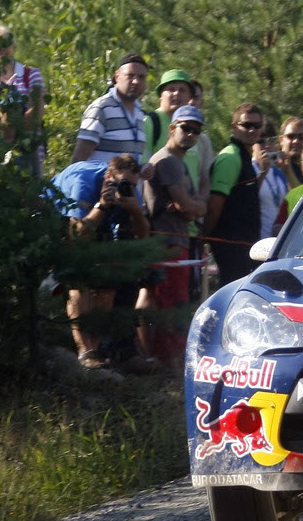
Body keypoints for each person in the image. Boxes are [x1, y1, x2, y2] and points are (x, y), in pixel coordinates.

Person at [64, 154, 150, 368]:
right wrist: (102, 205)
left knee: (107, 284)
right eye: (122, 183)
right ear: (109, 176)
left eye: (131, 184)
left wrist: (135, 211)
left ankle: (97, 349)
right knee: (79, 282)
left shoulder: (130, 190)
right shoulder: (83, 182)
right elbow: (78, 235)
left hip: (95, 221)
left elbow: (143, 238)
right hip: (58, 214)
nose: (126, 188)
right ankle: (84, 350)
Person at [139, 105, 208, 364]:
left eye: (196, 130)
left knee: (174, 302)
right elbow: (189, 207)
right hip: (168, 243)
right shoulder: (167, 160)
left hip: (176, 240)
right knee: (172, 305)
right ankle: (169, 361)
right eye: (185, 127)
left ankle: (166, 358)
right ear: (172, 128)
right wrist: (193, 207)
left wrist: (192, 208)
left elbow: (192, 207)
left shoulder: (177, 161)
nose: (190, 134)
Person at [202, 103, 272, 286]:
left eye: (256, 126)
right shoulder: (230, 157)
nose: (252, 130)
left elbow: (243, 197)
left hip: (244, 245)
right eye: (246, 125)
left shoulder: (244, 156)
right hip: (230, 246)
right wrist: (204, 239)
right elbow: (215, 205)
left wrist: (262, 175)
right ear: (234, 127)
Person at [0, 25, 49, 176]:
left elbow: (37, 115)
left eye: (4, 45)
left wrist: (7, 124)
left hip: (30, 153)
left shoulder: (30, 75)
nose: (0, 51)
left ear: (13, 47)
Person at [72, 54, 149, 165]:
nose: (136, 81)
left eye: (141, 77)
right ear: (117, 77)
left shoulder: (139, 113)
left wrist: (144, 168)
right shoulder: (101, 108)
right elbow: (79, 159)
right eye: (130, 75)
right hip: (101, 182)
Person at [278, 117, 303, 184]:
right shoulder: (272, 167)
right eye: (291, 136)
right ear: (281, 140)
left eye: (301, 137)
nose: (296, 141)